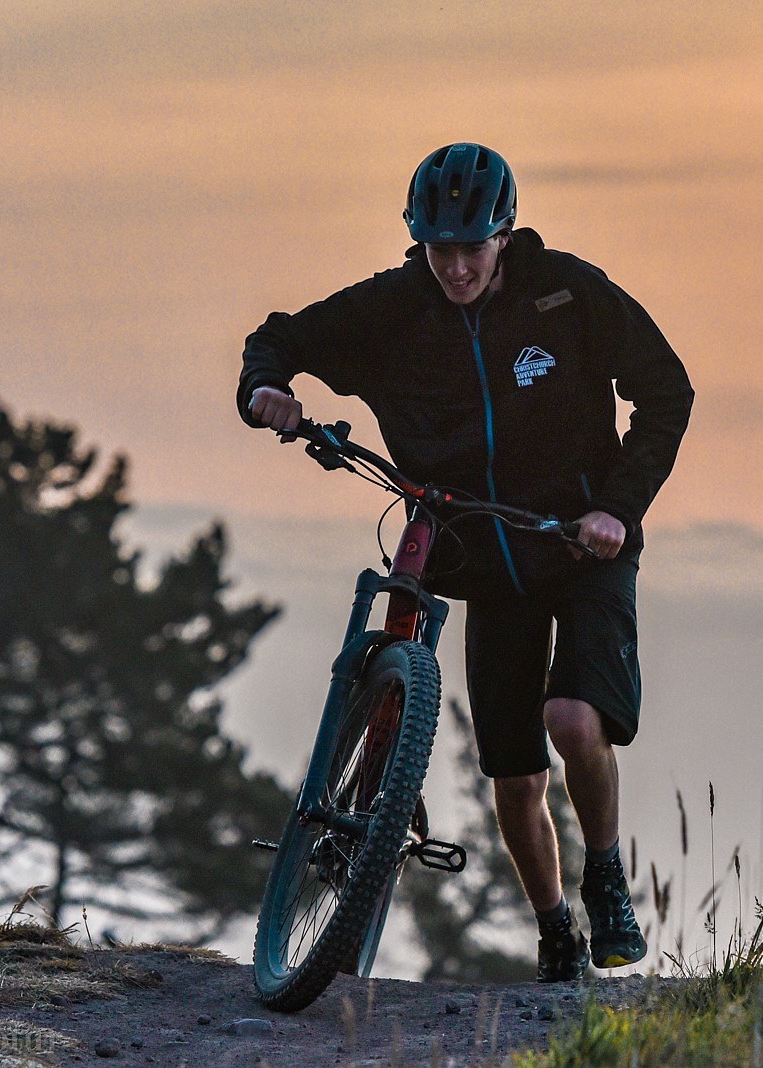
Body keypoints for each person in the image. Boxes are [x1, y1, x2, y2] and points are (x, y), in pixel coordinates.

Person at [237, 143, 694, 982]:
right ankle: (555, 933)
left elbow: (668, 392)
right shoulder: (394, 308)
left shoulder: (567, 294)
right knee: (515, 775)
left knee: (574, 722)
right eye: (438, 249)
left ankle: (604, 875)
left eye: (471, 249)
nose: (454, 268)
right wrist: (266, 391)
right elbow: (279, 338)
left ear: (504, 235)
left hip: (580, 544)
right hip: (483, 559)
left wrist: (618, 508)